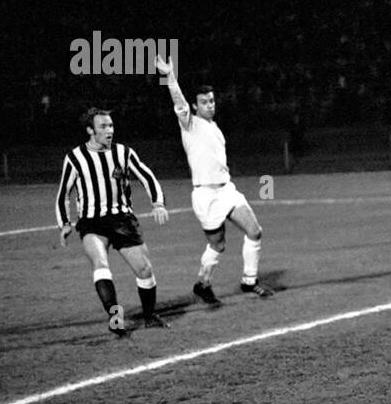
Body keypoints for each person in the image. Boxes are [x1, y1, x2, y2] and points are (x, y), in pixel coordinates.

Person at [156, 55, 273, 304]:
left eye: (212, 100)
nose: (210, 104)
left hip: (227, 191)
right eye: (204, 102)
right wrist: (170, 77)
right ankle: (203, 283)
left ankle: (249, 281)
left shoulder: (214, 127)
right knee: (217, 245)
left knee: (255, 231)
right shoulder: (190, 124)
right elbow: (178, 102)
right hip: (206, 195)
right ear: (195, 106)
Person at [56, 108, 170, 336]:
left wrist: (158, 203)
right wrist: (65, 223)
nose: (109, 131)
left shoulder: (123, 153)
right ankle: (116, 319)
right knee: (100, 264)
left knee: (145, 269)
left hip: (122, 219)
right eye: (103, 127)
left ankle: (149, 316)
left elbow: (147, 176)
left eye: (111, 126)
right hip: (92, 222)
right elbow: (63, 193)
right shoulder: (75, 157)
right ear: (90, 130)